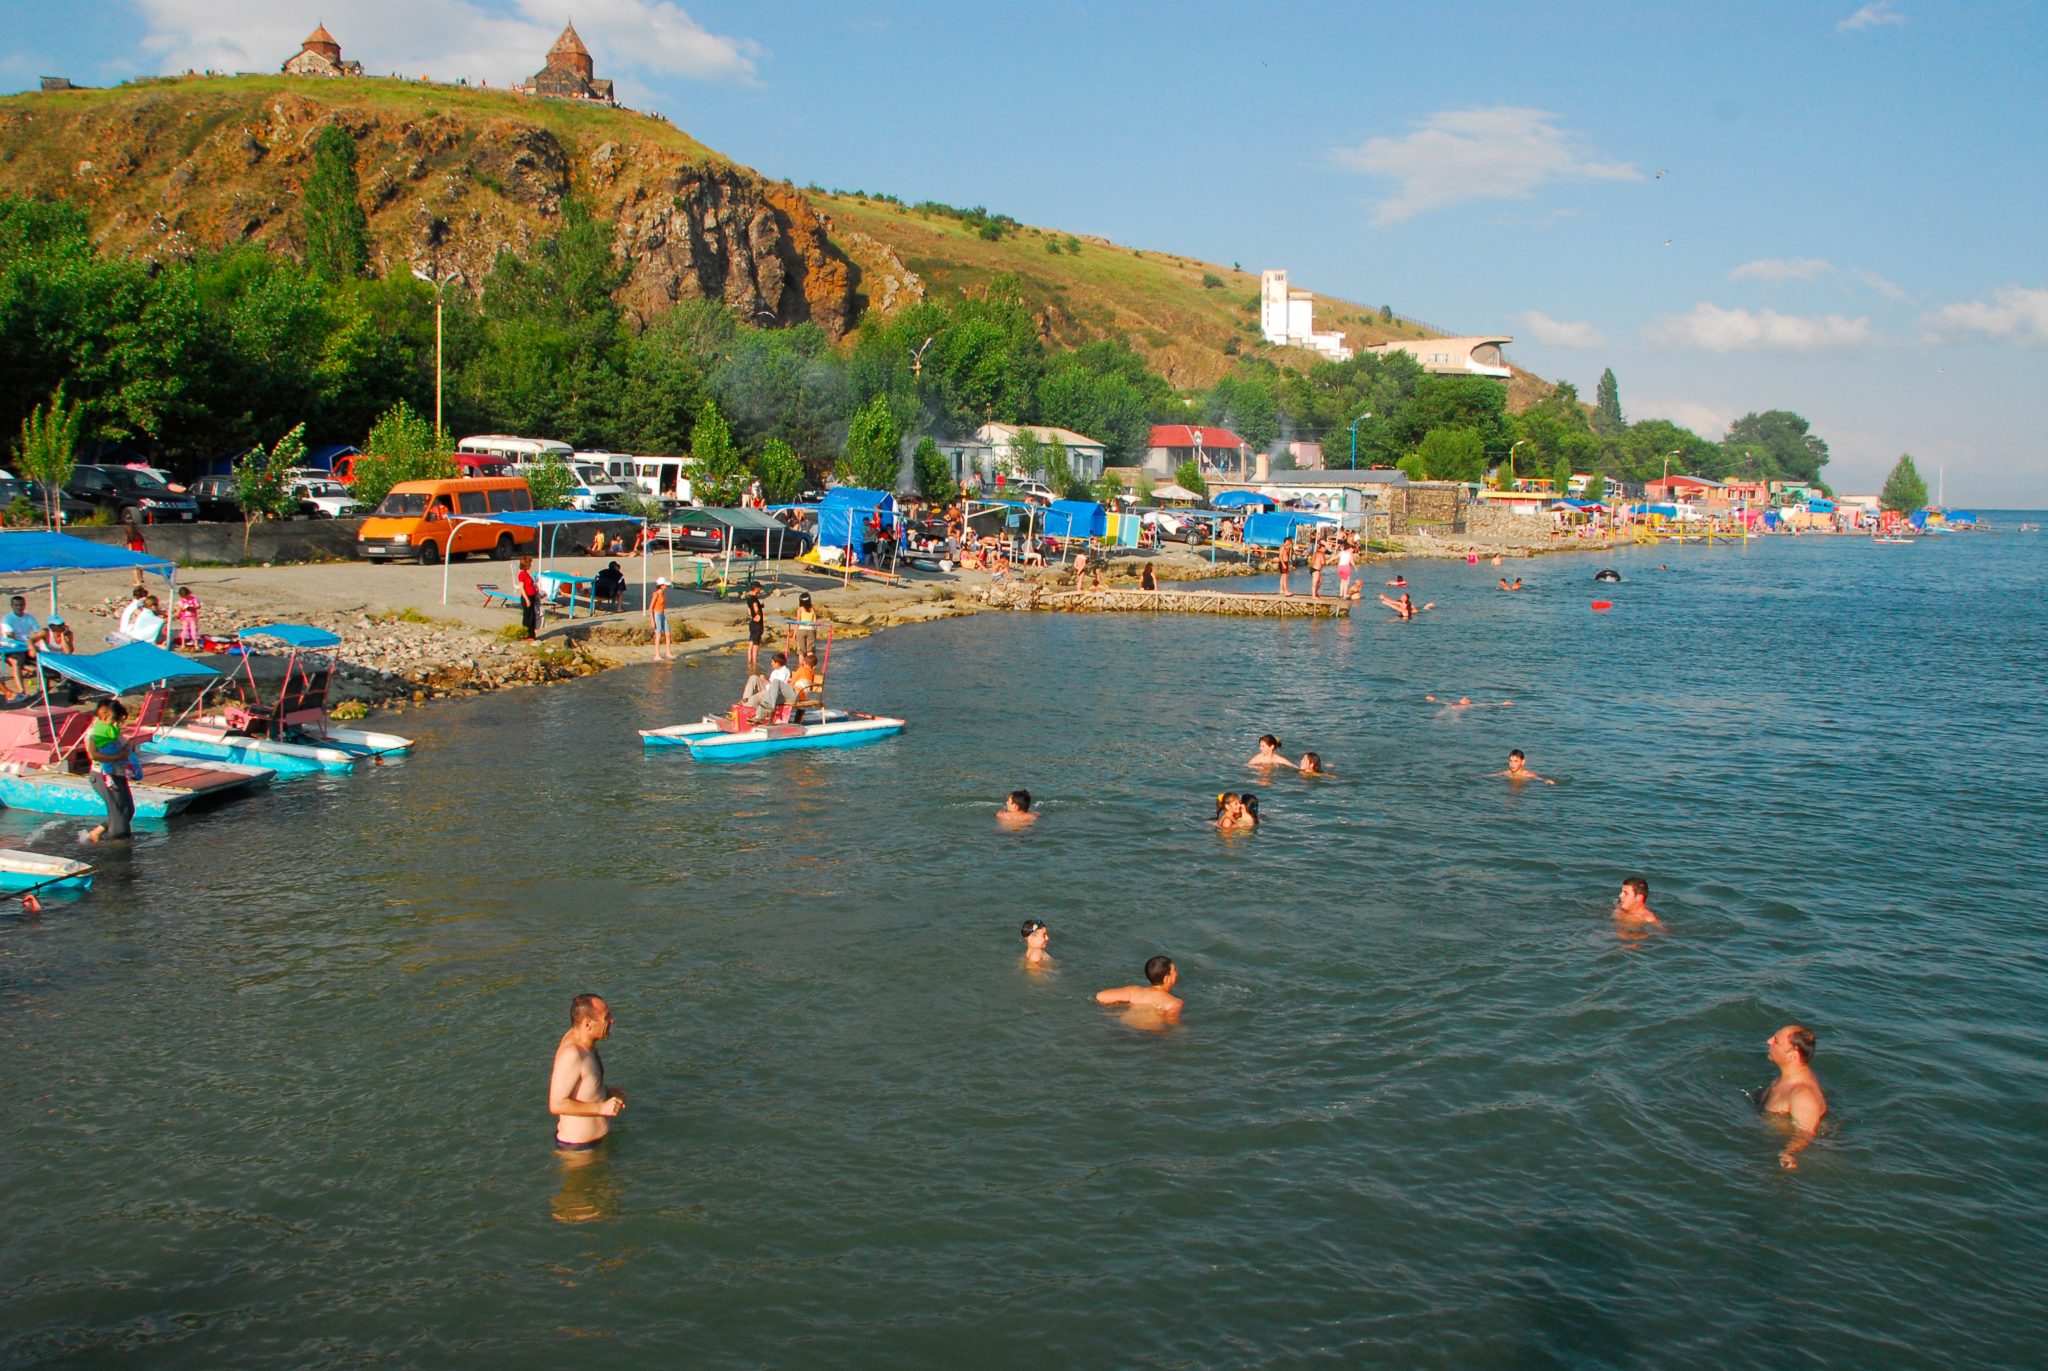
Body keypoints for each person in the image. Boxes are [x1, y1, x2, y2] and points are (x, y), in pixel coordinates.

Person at [549, 993, 626, 1151]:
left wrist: (606, 1092)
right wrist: (601, 1108)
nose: (612, 1021)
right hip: (578, 1150)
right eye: (606, 1018)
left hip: (594, 1145)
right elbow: (556, 1104)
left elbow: (582, 1084)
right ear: (588, 1024)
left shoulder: (586, 1041)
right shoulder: (572, 1054)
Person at [1759, 1025, 1827, 1169]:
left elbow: (1805, 1133)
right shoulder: (1787, 1078)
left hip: (1775, 1145)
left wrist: (1789, 1153)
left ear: (1792, 1056)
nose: (1768, 1041)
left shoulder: (1802, 1095)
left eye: (1776, 1041)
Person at [83, 698, 137, 843]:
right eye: (114, 720)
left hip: (117, 774)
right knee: (119, 816)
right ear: (103, 717)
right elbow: (94, 754)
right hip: (103, 776)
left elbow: (124, 743)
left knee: (128, 810)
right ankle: (118, 845)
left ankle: (96, 833)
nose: (116, 724)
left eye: (118, 721)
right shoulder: (95, 733)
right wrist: (118, 755)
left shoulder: (111, 729)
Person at [1095, 955, 1183, 1024]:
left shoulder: (1135, 991)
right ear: (1167, 979)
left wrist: (1123, 1005)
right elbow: (1172, 1024)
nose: (1177, 973)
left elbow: (1101, 996)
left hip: (1120, 1026)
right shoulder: (1174, 1003)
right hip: (1146, 1036)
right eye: (1174, 970)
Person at [2, 595, 39, 694]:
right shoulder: (7, 619)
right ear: (12, 606)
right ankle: (22, 691)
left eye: (21, 605)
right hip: (12, 648)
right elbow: (11, 637)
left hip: (27, 646)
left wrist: (34, 645)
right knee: (17, 661)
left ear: (25, 605)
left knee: (43, 656)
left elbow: (38, 632)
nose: (19, 607)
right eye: (16, 605)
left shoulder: (30, 618)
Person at [647, 578, 674, 660]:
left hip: (662, 614)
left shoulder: (663, 594)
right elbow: (650, 608)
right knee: (658, 634)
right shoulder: (656, 594)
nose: (666, 586)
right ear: (661, 585)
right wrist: (652, 620)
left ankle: (668, 653)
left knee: (668, 633)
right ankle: (657, 655)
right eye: (665, 585)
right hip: (657, 614)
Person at [516, 556, 540, 642]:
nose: (530, 565)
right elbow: (521, 588)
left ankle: (532, 635)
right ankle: (526, 635)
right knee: (528, 617)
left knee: (532, 616)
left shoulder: (526, 573)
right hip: (527, 597)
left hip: (532, 596)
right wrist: (527, 599)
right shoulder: (522, 574)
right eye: (529, 564)